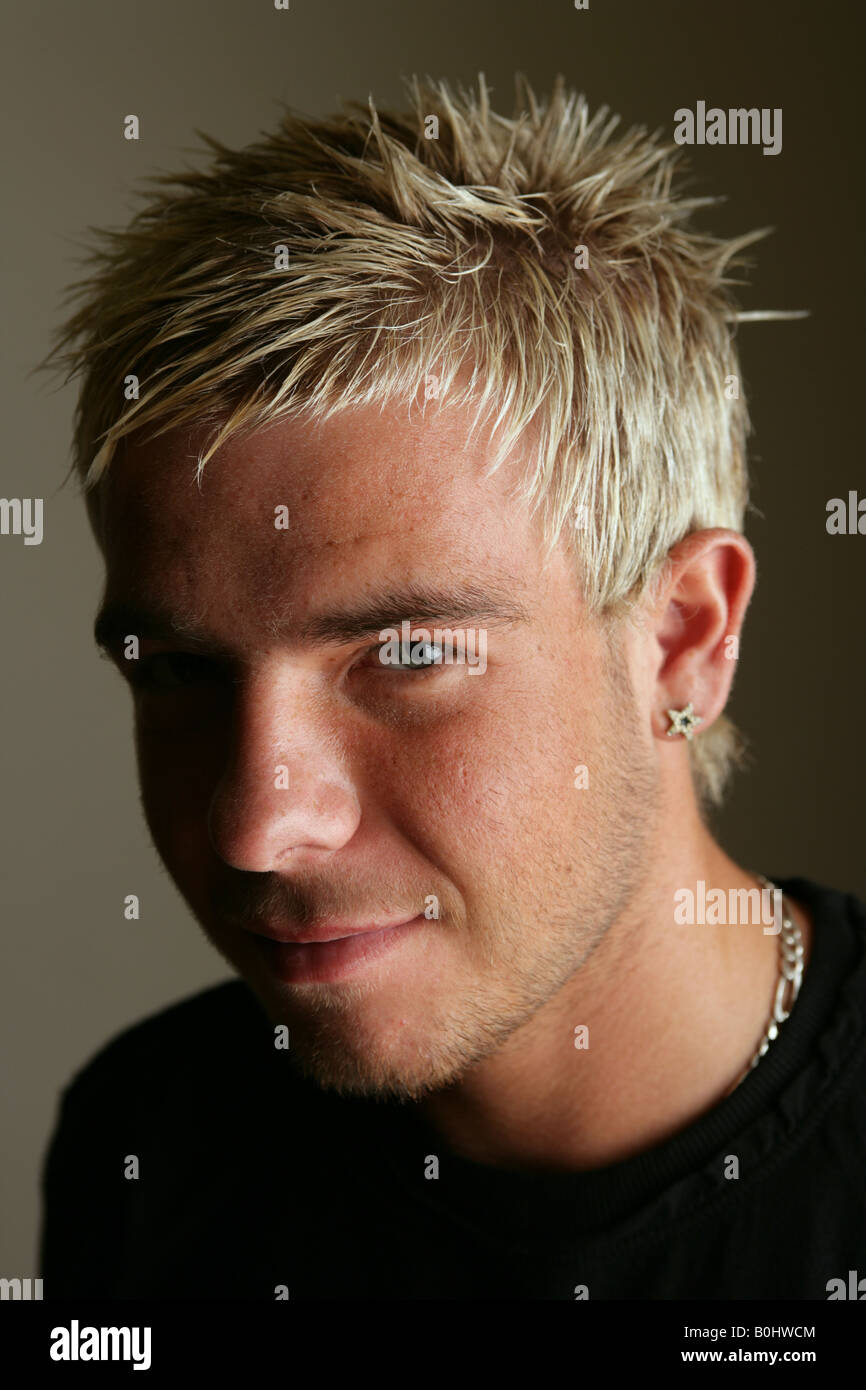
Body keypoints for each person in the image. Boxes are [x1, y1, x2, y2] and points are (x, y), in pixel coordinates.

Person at [39, 74, 866, 1300]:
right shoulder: (146, 1144)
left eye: (410, 654)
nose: (256, 825)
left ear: (684, 637)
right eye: (177, 672)